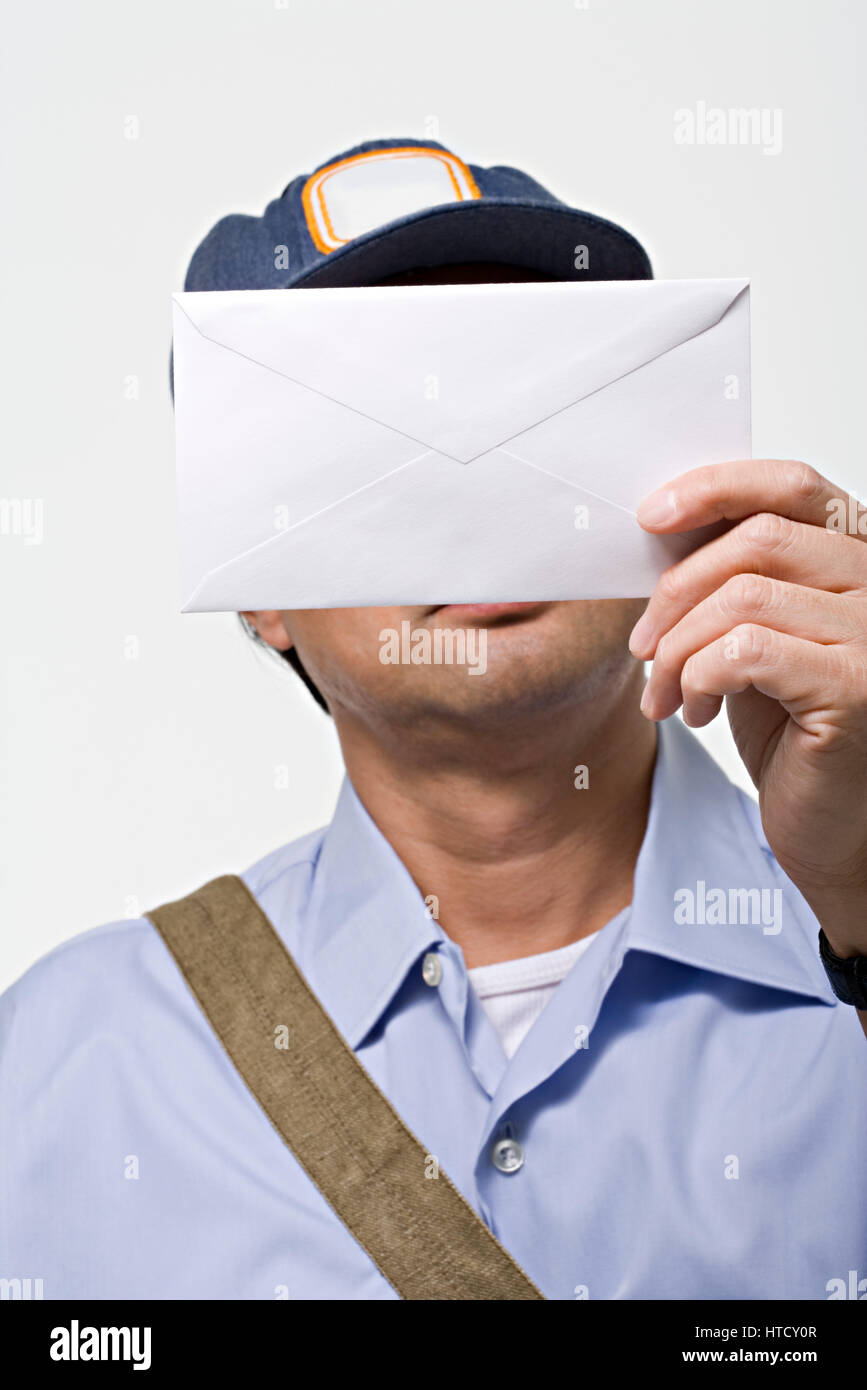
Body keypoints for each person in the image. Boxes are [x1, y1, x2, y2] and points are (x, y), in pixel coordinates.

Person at [2, 138, 866, 1302]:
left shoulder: (848, 928)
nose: (479, 502)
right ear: (256, 582)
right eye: (371, 449)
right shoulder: (60, 1065)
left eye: (545, 412)